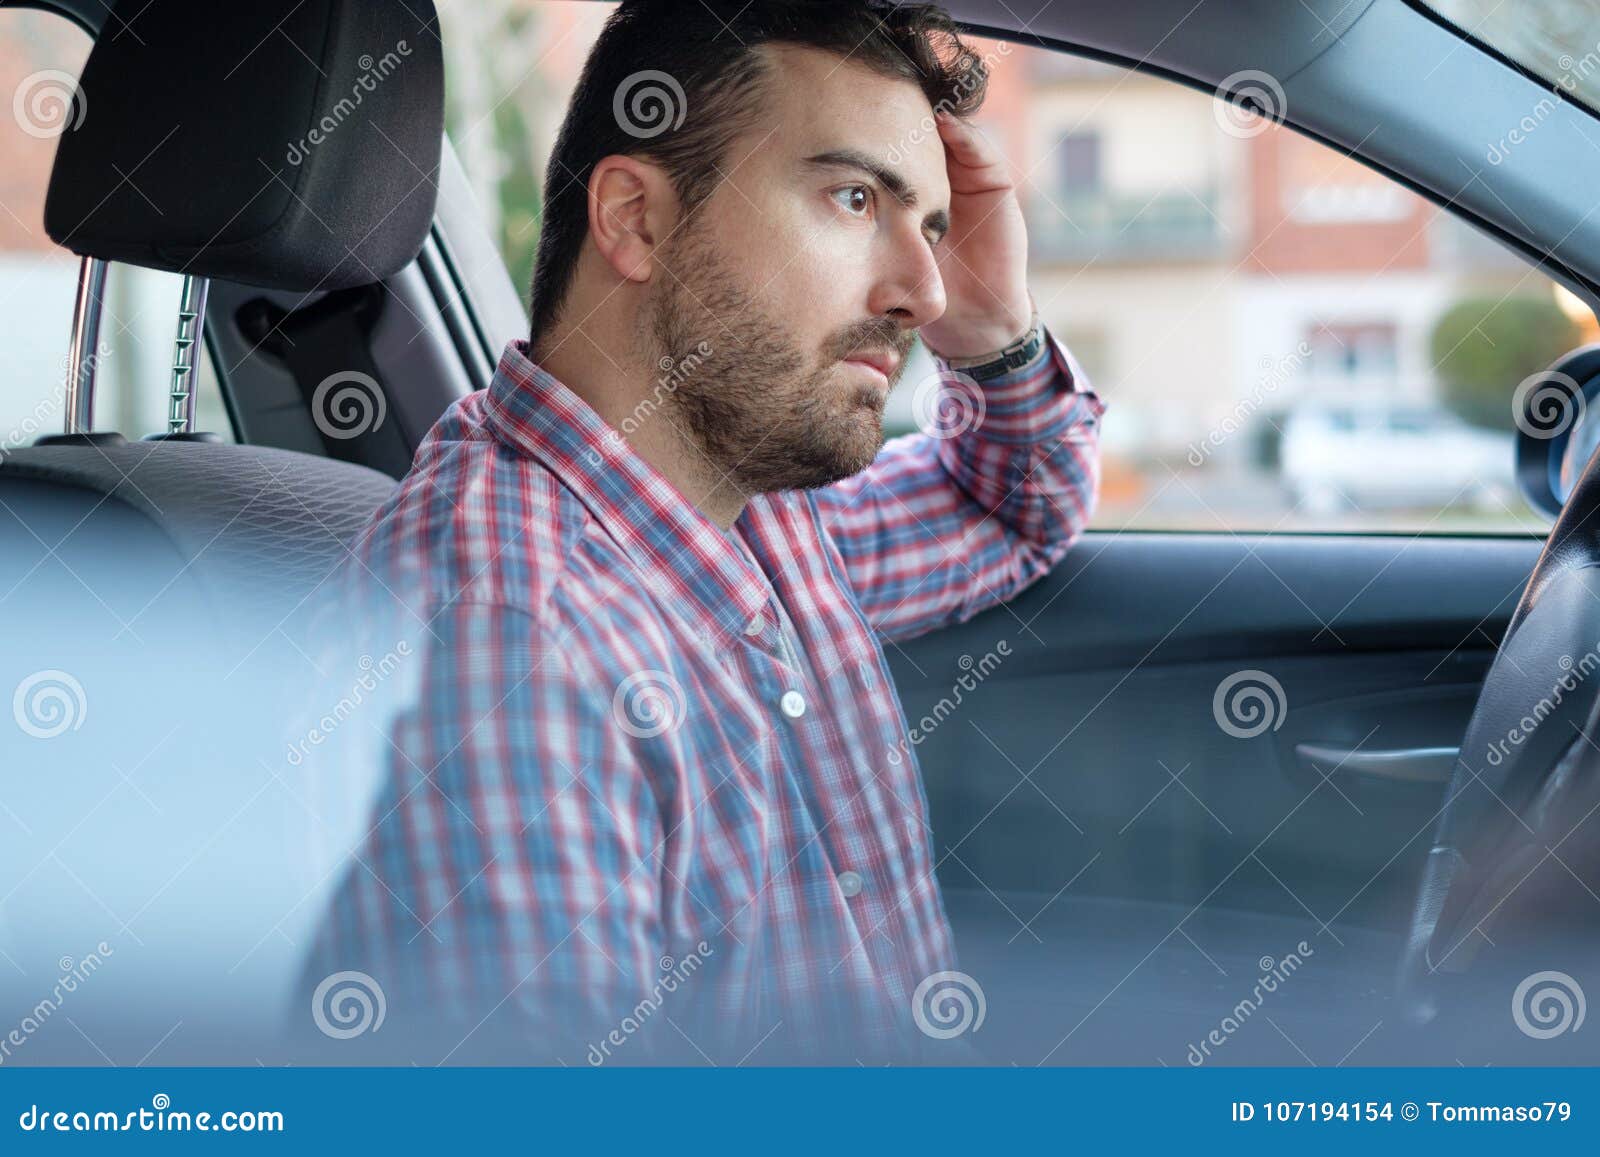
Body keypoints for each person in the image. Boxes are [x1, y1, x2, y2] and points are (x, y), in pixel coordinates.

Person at [298, 0, 1104, 1065]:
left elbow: (1014, 503)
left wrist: (999, 340)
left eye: (933, 229)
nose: (924, 291)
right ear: (635, 220)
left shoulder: (748, 506)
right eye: (854, 197)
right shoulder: (513, 640)